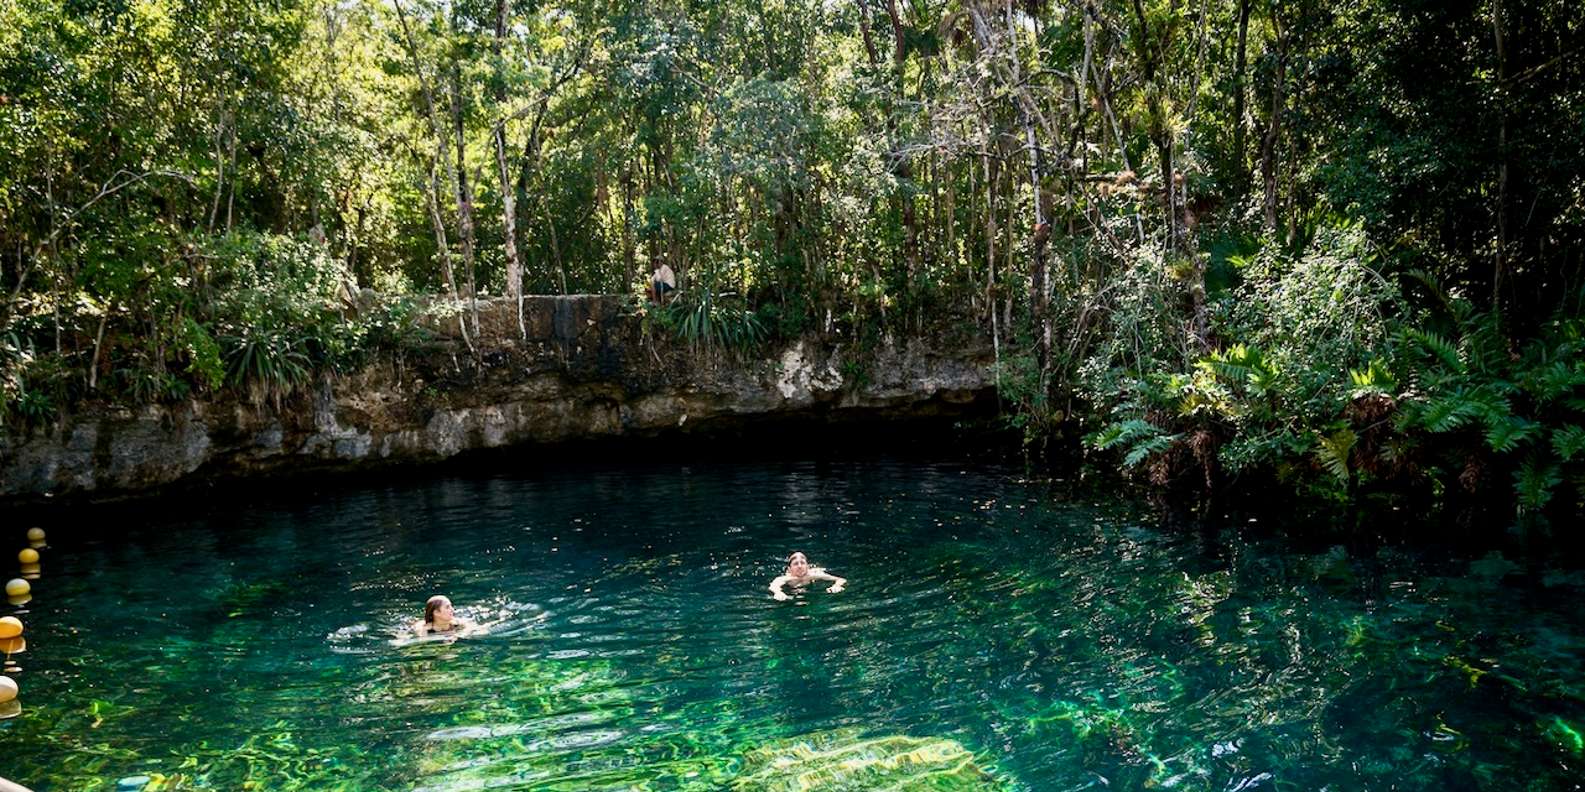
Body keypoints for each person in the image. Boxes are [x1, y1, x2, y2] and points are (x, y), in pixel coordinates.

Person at [769, 552, 846, 601]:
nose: (799, 566)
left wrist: (836, 586)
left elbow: (841, 579)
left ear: (807, 567)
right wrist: (778, 592)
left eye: (802, 563)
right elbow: (773, 586)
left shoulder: (813, 575)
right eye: (796, 564)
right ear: (789, 569)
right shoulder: (786, 578)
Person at [412, 595, 482, 638]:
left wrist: (458, 634)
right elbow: (422, 639)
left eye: (451, 606)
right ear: (436, 612)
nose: (452, 609)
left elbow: (473, 629)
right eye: (447, 607)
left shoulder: (458, 623)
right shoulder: (425, 629)